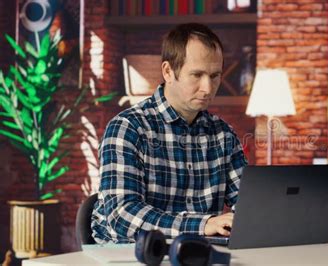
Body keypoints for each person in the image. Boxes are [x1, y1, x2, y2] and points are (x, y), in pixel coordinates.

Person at [91, 23, 248, 243]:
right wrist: (203, 224)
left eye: (214, 76)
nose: (207, 87)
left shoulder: (223, 135)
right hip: (130, 255)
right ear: (168, 71)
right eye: (197, 75)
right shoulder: (127, 128)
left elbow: (248, 205)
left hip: (196, 253)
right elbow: (122, 217)